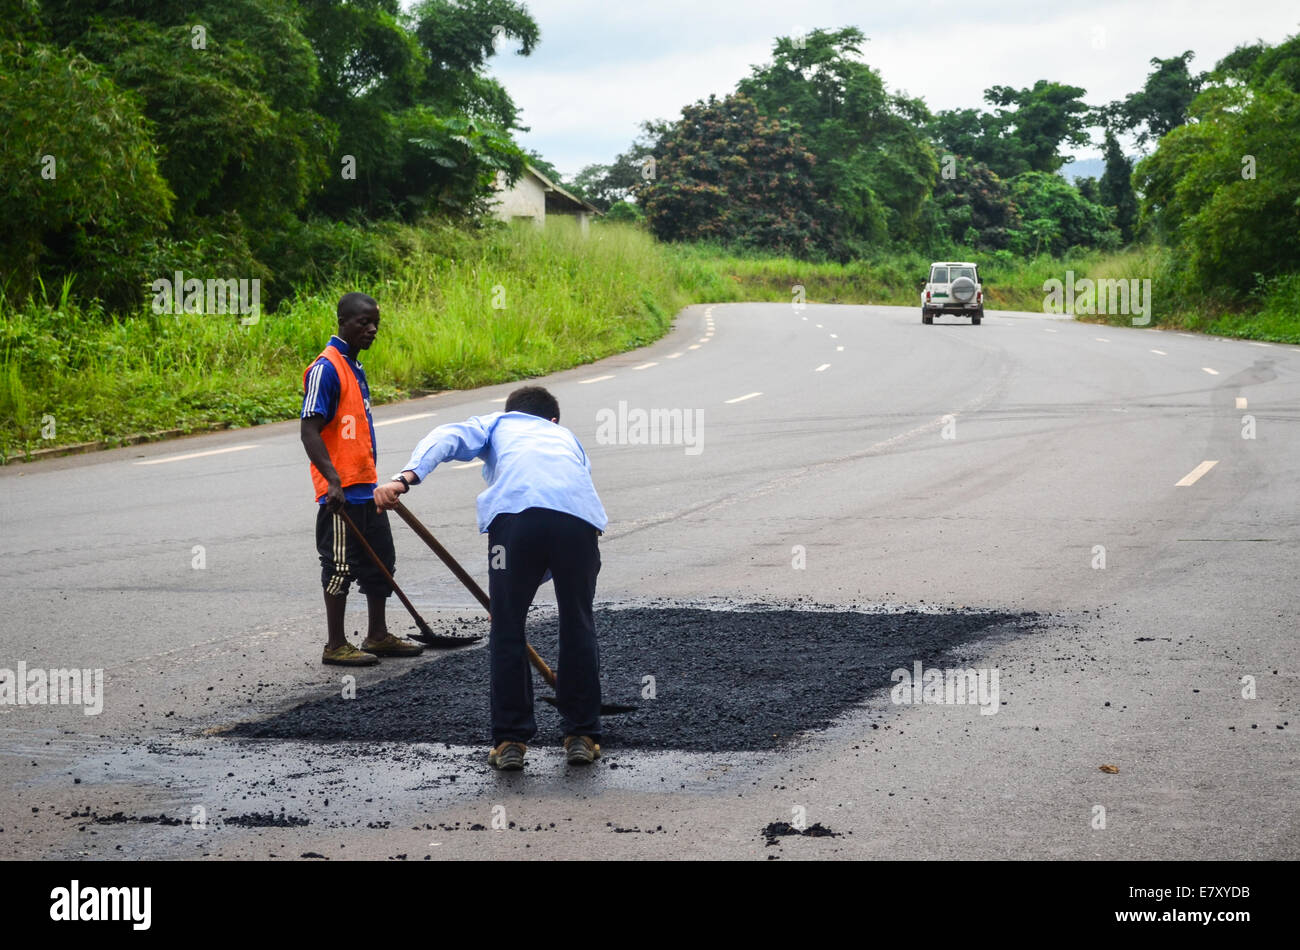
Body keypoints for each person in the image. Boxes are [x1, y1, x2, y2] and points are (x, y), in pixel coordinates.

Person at [374, 385, 607, 770]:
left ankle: (511, 740)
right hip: (579, 524)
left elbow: (447, 436)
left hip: (515, 524)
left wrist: (405, 478)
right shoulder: (567, 438)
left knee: (507, 629)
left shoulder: (497, 423)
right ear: (551, 420)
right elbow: (560, 508)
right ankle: (582, 733)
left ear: (510, 411)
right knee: (578, 621)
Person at [300, 292, 423, 666]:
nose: (371, 330)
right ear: (343, 322)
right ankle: (335, 644)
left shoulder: (355, 366)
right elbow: (310, 430)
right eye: (363, 323)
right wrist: (333, 482)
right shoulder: (326, 367)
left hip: (367, 488)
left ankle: (377, 634)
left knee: (381, 562)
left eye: (375, 325)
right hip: (339, 495)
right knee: (339, 568)